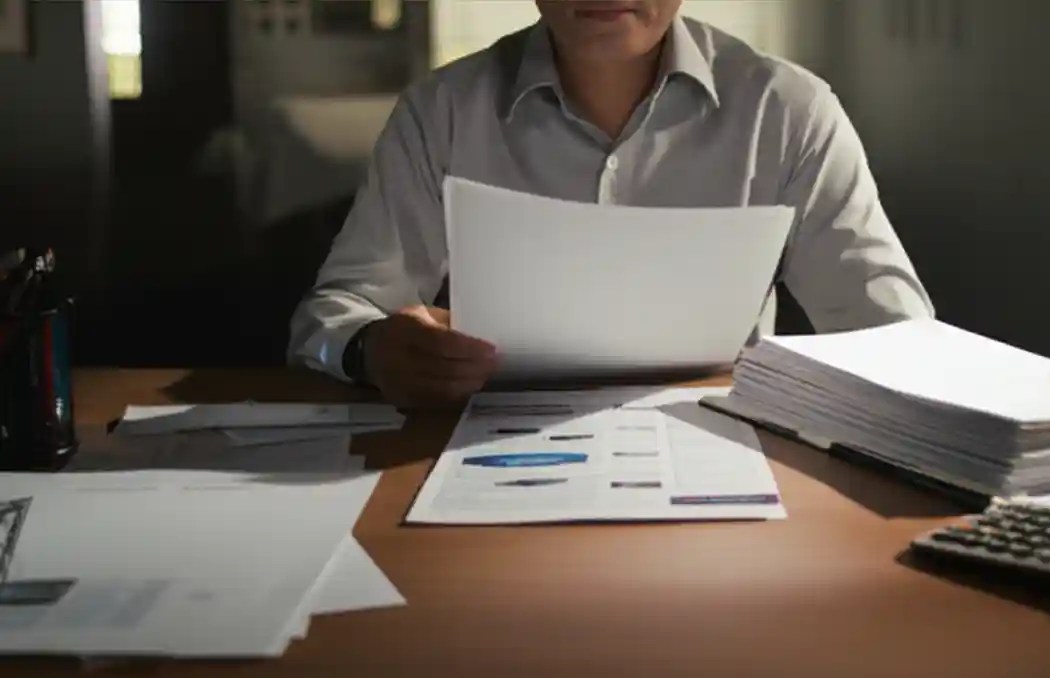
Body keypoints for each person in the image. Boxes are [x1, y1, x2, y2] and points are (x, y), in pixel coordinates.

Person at [289, 0, 934, 408]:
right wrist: (370, 349)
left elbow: (895, 335)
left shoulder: (788, 112)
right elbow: (332, 315)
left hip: (725, 455)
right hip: (484, 455)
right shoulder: (442, 111)